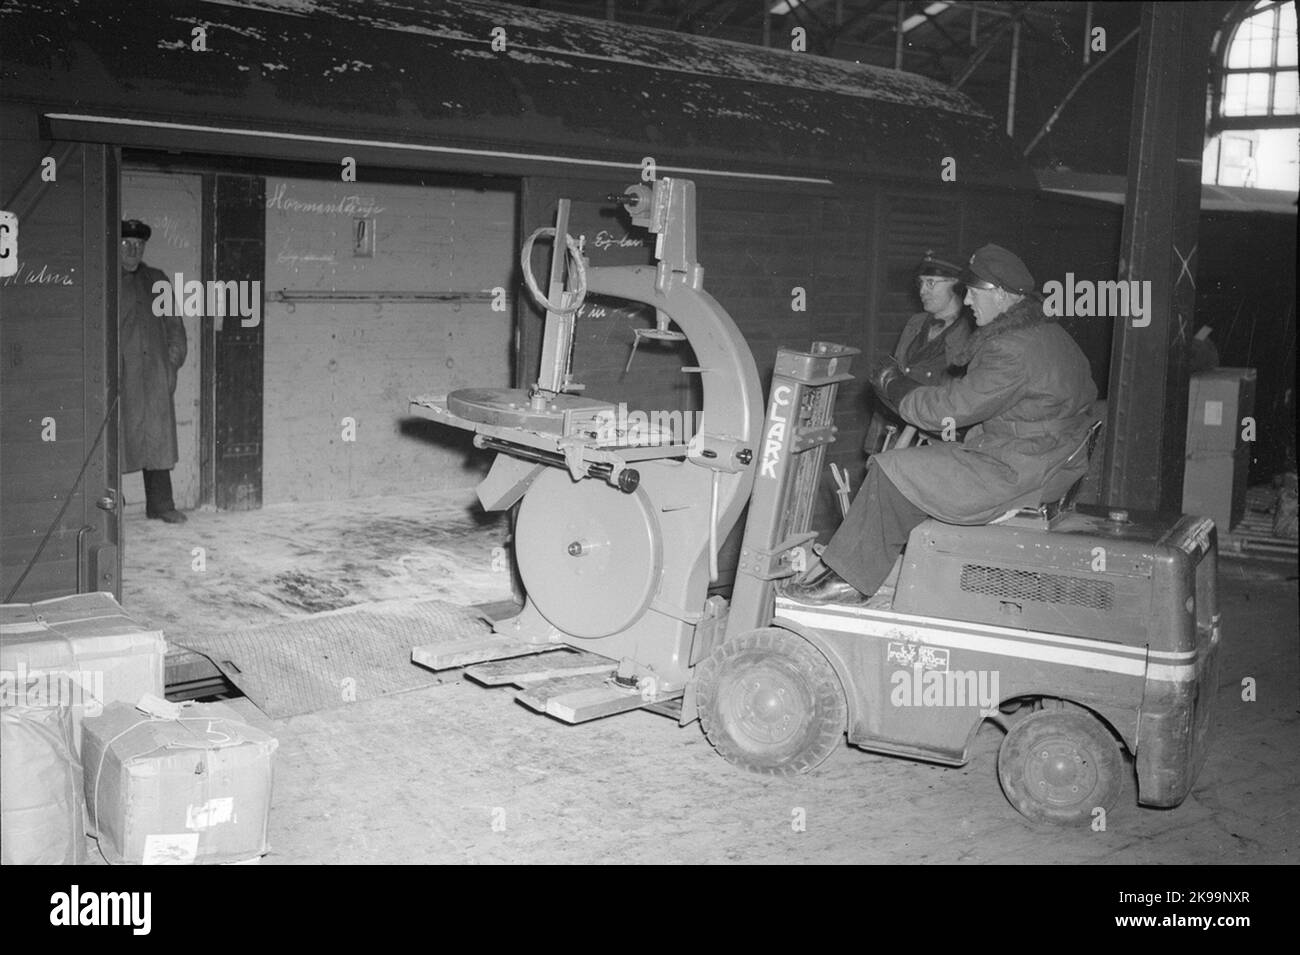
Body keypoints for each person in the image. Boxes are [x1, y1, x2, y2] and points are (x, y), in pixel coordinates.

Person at [791, 244, 1098, 605]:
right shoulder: (1051, 336)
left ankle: (849, 579)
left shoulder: (1011, 349)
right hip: (1050, 459)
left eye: (972, 291)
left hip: (1017, 469)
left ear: (1000, 294)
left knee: (891, 470)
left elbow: (947, 411)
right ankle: (879, 564)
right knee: (925, 465)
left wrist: (895, 384)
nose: (966, 300)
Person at [862, 251, 972, 455]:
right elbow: (895, 377)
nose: (922, 290)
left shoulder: (969, 335)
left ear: (957, 284)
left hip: (933, 441)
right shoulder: (915, 323)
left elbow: (951, 399)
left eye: (931, 283)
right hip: (895, 429)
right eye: (920, 283)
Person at [119, 219, 188, 523]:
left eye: (139, 244)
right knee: (118, 437)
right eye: (126, 243)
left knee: (158, 438)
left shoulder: (157, 280)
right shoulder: (104, 279)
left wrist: (171, 364)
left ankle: (161, 505)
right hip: (122, 375)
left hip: (156, 373)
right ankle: (110, 508)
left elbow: (174, 327)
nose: (134, 249)